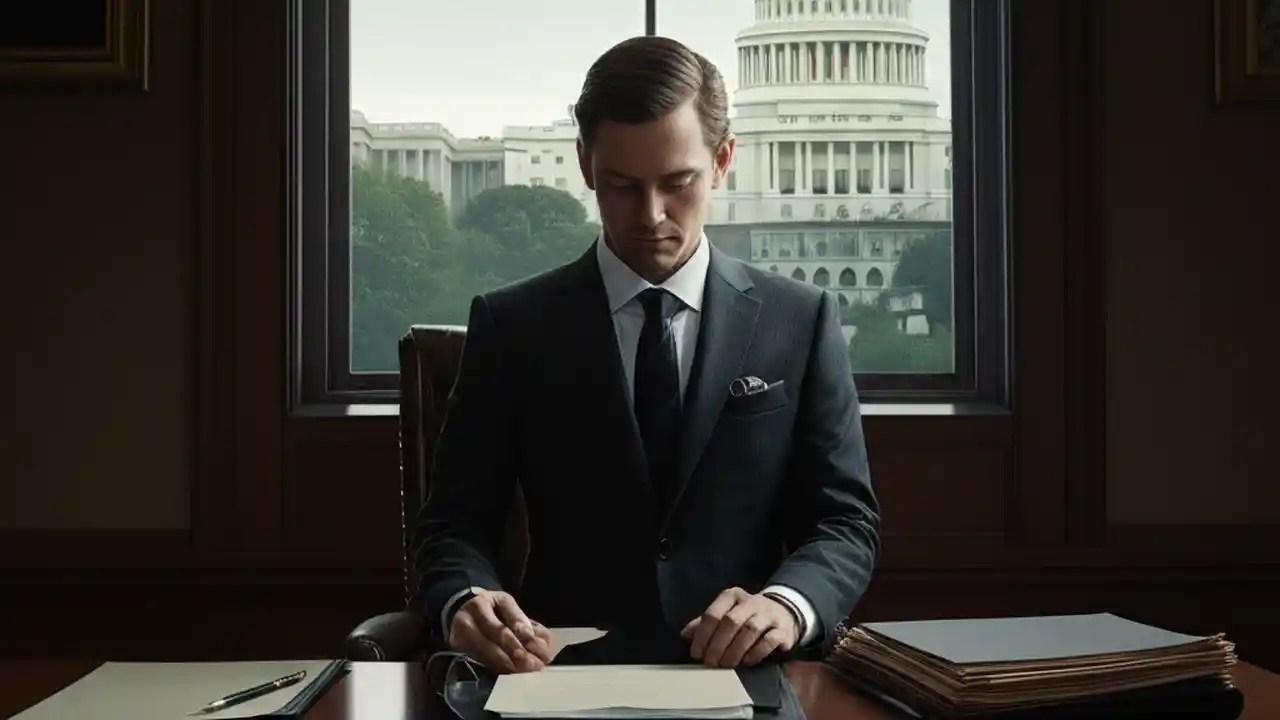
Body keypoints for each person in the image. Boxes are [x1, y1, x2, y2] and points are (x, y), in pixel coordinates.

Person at [412, 35, 880, 675]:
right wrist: (465, 599)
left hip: (746, 675)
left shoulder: (802, 319)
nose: (652, 215)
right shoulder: (511, 326)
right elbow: (452, 526)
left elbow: (845, 522)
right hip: (556, 677)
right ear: (584, 165)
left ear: (722, 160)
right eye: (622, 186)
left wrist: (787, 605)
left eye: (677, 182)